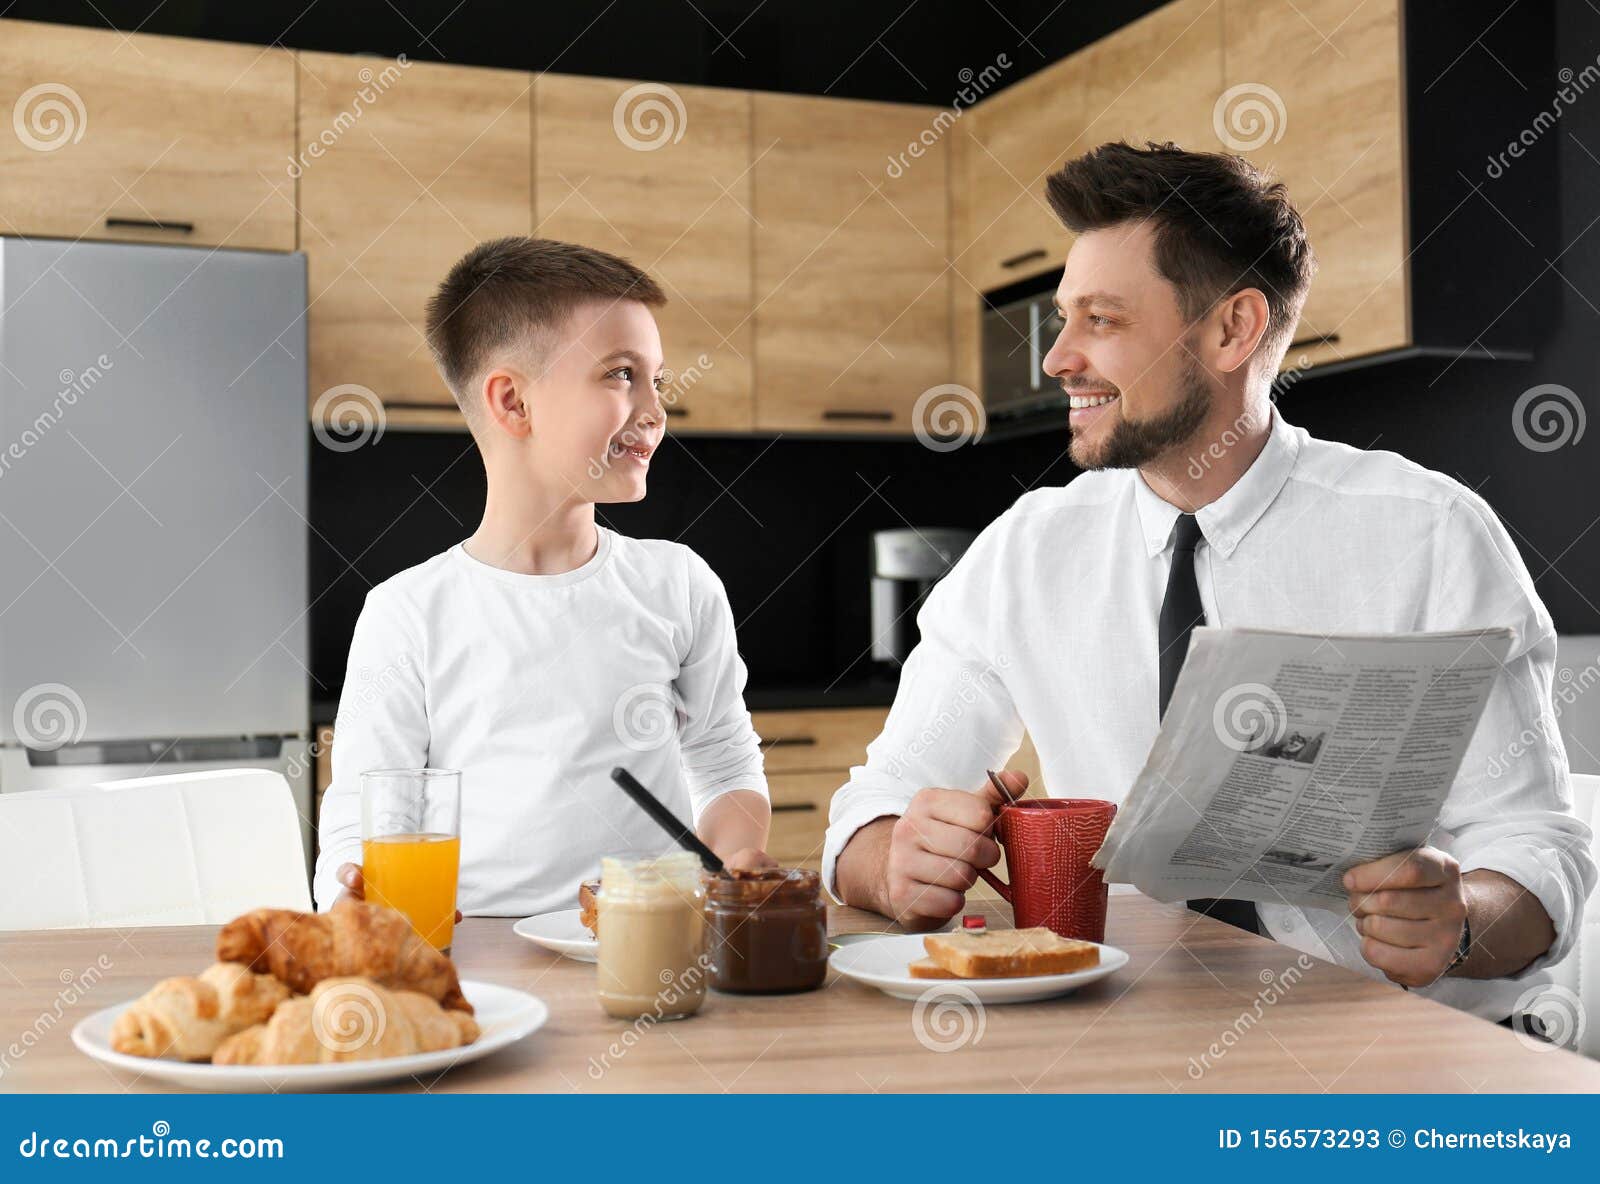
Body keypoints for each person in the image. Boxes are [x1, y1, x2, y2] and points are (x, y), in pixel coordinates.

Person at [826, 142, 1595, 1020]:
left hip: (1398, 1042)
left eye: (1101, 320)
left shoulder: (1429, 535)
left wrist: (1459, 922)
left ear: (1232, 330)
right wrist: (894, 858)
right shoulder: (1024, 554)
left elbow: (1537, 848)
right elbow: (876, 802)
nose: (1058, 358)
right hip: (1137, 1033)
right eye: (1063, 319)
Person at [313, 237, 773, 918]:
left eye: (658, 380)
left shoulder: (678, 584)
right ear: (514, 403)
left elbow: (724, 762)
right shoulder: (407, 611)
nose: (655, 409)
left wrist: (732, 863)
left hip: (650, 945)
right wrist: (352, 893)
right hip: (476, 952)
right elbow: (363, 814)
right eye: (622, 374)